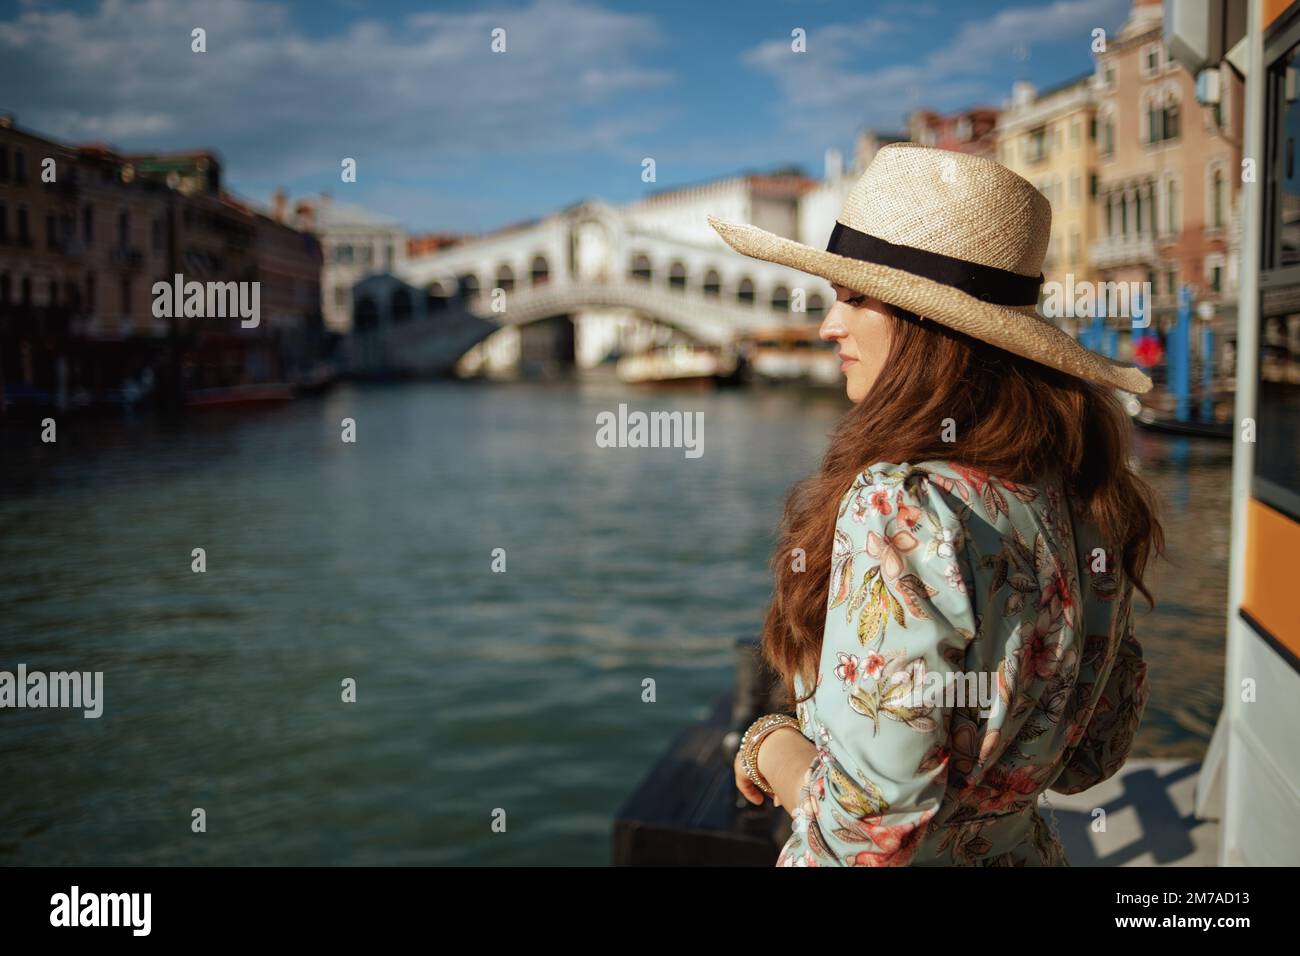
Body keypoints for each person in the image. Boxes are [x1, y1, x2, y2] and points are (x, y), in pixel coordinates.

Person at [710, 144, 1162, 866]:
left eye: (855, 297)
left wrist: (773, 748)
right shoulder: (1084, 497)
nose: (831, 326)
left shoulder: (901, 505)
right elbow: (1092, 756)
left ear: (926, 327)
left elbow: (866, 837)